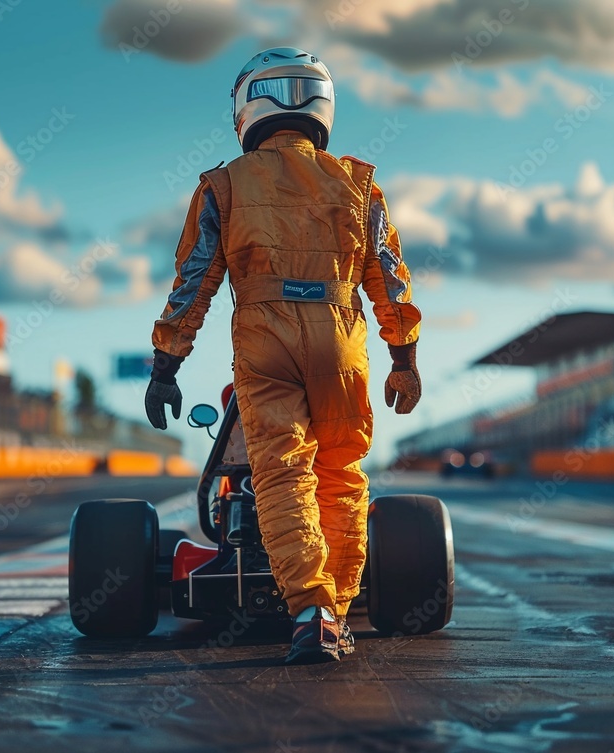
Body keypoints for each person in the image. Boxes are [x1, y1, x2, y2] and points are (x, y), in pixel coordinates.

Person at [145, 47, 421, 664]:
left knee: (281, 473)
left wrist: (167, 367)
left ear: (247, 108)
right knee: (342, 473)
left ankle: (311, 611)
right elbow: (391, 279)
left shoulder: (223, 185)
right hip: (341, 338)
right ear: (322, 105)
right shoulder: (360, 184)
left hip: (265, 340)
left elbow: (192, 286)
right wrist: (404, 357)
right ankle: (338, 612)